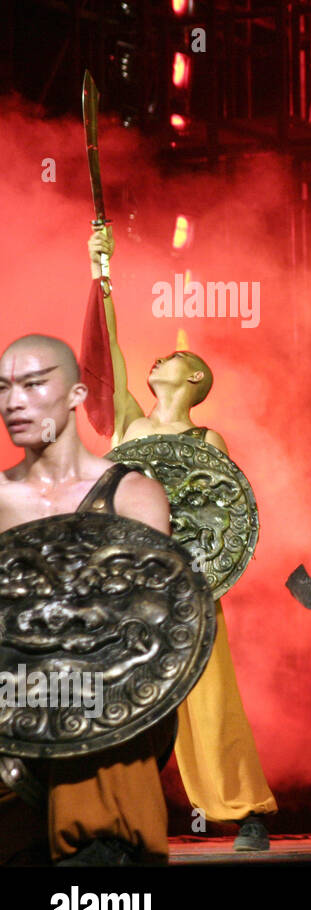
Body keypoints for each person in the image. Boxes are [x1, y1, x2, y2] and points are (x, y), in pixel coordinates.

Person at [90, 227, 277, 851]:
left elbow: (224, 517)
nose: (155, 361)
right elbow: (108, 350)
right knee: (117, 698)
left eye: (169, 358)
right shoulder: (127, 421)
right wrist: (103, 277)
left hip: (191, 585)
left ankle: (245, 809)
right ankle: (113, 820)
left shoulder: (207, 445)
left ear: (194, 377)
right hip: (126, 585)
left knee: (211, 698)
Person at [0, 334, 174, 864]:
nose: (14, 401)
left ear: (77, 393)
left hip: (104, 721)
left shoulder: (132, 494)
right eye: (3, 387)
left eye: (33, 384)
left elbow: (154, 630)